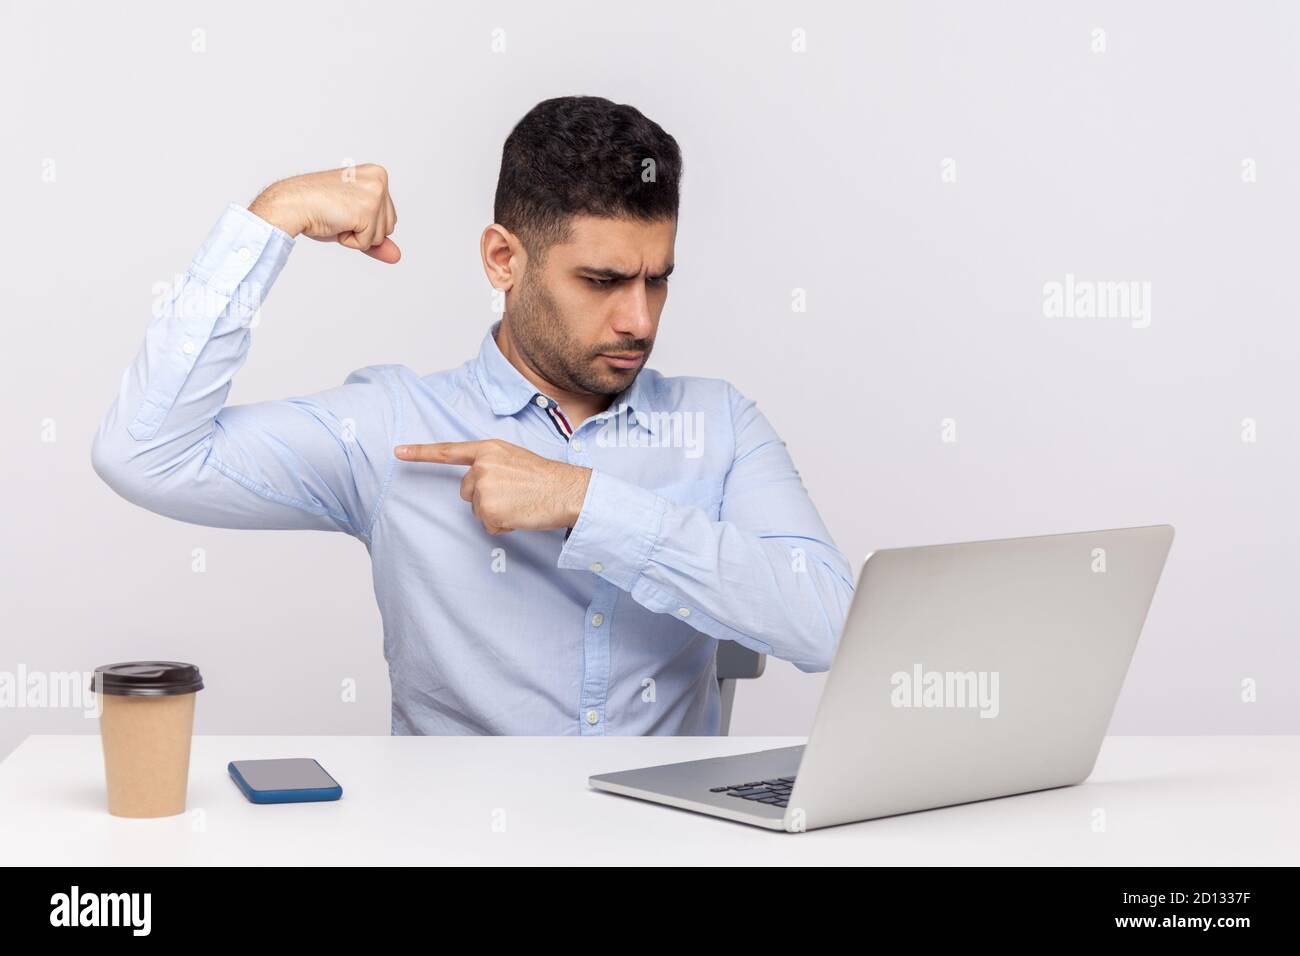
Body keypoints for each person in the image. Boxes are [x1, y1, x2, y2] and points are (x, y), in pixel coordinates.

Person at [91, 95, 854, 736]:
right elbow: (145, 454)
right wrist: (271, 219)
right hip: (458, 841)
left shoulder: (718, 425)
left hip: (668, 844)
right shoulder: (396, 429)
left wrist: (587, 501)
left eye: (658, 281)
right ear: (503, 260)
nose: (640, 320)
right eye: (603, 280)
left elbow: (829, 626)